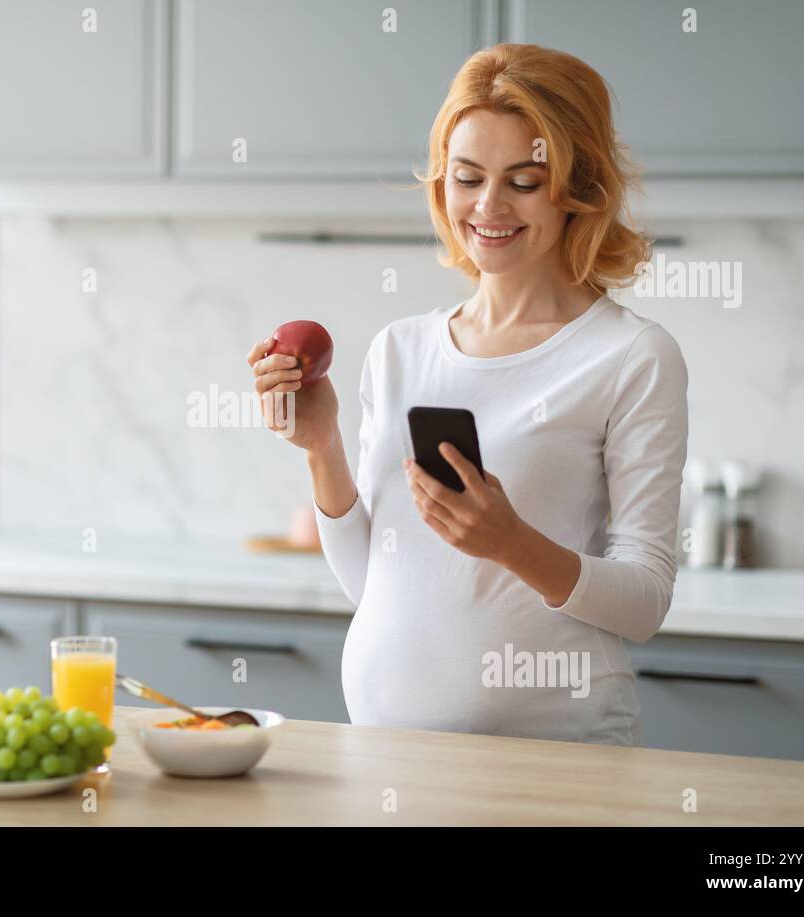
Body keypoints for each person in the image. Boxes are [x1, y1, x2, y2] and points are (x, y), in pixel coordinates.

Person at [246, 44, 688, 745]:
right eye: (468, 177)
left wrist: (511, 544)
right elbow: (375, 583)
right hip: (388, 754)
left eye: (523, 180)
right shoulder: (401, 348)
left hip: (555, 763)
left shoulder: (630, 355)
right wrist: (322, 448)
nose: (488, 206)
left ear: (579, 187)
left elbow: (644, 601)